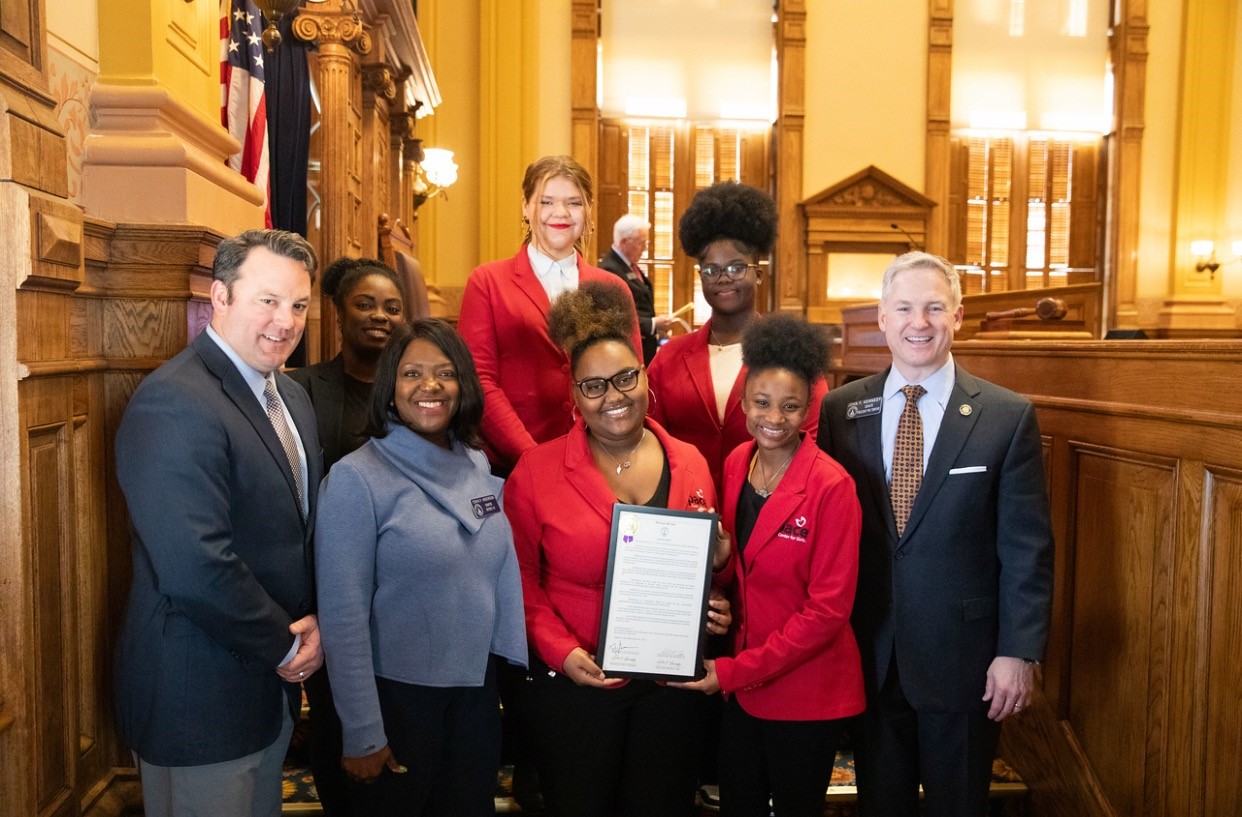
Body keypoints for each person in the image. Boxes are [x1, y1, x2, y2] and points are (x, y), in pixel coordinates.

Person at [817, 252, 1055, 817]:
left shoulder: (1006, 415)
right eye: (903, 308)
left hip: (965, 661)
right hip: (871, 653)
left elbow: (1027, 547)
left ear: (958, 315)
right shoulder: (841, 410)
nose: (917, 322)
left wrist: (1018, 652)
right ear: (881, 317)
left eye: (933, 308)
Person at [113, 229, 323, 817]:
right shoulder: (175, 400)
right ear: (220, 297)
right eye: (267, 300)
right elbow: (195, 563)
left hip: (270, 685)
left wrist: (313, 630)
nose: (285, 321)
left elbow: (299, 533)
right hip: (198, 694)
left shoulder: (290, 397)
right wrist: (286, 646)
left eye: (299, 305)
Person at [505, 282, 732, 817]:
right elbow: (518, 584)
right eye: (594, 386)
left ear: (646, 378)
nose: (614, 396)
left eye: (626, 377)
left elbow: (705, 562)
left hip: (671, 686)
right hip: (579, 682)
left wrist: (715, 591)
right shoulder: (536, 472)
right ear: (574, 396)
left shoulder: (692, 462)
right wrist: (561, 651)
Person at [315, 319, 527, 817]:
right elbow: (343, 620)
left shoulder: (475, 463)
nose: (429, 386)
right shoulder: (356, 479)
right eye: (411, 373)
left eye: (445, 373)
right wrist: (363, 732)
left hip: (474, 696)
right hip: (396, 703)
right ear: (390, 387)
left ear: (464, 386)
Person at [677, 314, 864, 817]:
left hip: (805, 692)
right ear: (743, 404)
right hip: (743, 691)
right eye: (761, 403)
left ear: (809, 411)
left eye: (791, 406)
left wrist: (734, 671)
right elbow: (741, 569)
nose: (774, 418)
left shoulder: (833, 487)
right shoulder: (738, 461)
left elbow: (827, 612)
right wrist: (717, 576)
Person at [287, 257, 405, 816]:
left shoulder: (418, 395)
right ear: (337, 311)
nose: (380, 316)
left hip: (406, 592)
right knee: (341, 733)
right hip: (330, 590)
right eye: (366, 304)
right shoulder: (301, 390)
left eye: (391, 307)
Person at [457, 154, 642, 475]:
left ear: (588, 211)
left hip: (598, 463)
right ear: (526, 208)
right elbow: (479, 381)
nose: (560, 213)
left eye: (573, 202)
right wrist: (532, 458)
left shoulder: (613, 288)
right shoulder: (488, 282)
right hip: (512, 465)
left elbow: (630, 379)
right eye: (546, 201)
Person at [647, 181, 827, 494]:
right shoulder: (670, 357)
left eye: (736, 267)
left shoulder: (791, 355)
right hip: (685, 510)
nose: (723, 278)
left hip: (763, 509)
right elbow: (648, 436)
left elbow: (811, 442)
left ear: (758, 274)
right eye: (711, 270)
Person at [598, 213, 674, 363]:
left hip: (643, 349)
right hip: (625, 354)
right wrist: (652, 324)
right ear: (625, 242)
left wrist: (656, 328)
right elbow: (613, 317)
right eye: (642, 242)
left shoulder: (628, 266)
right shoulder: (610, 270)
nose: (646, 248)